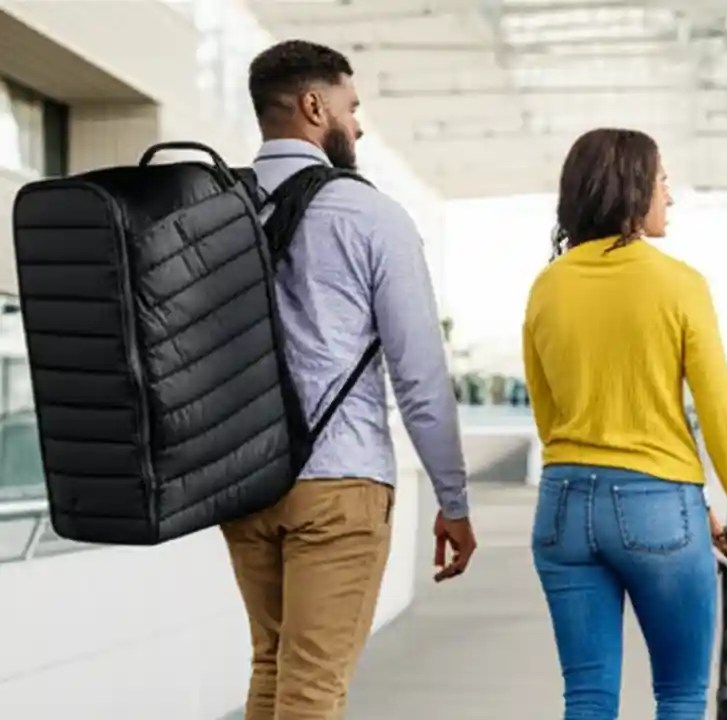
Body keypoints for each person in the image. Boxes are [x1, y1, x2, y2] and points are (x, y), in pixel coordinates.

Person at [221, 40, 477, 720]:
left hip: (244, 483)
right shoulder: (372, 217)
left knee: (274, 669)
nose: (357, 124)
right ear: (313, 106)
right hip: (340, 484)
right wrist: (453, 500)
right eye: (350, 106)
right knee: (313, 688)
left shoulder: (218, 214)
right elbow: (418, 376)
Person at [523, 127, 727, 720]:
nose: (670, 196)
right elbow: (720, 413)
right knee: (681, 696)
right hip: (658, 506)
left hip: (564, 503)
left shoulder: (547, 286)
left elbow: (547, 412)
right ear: (632, 189)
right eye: (662, 181)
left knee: (586, 697)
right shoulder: (679, 284)